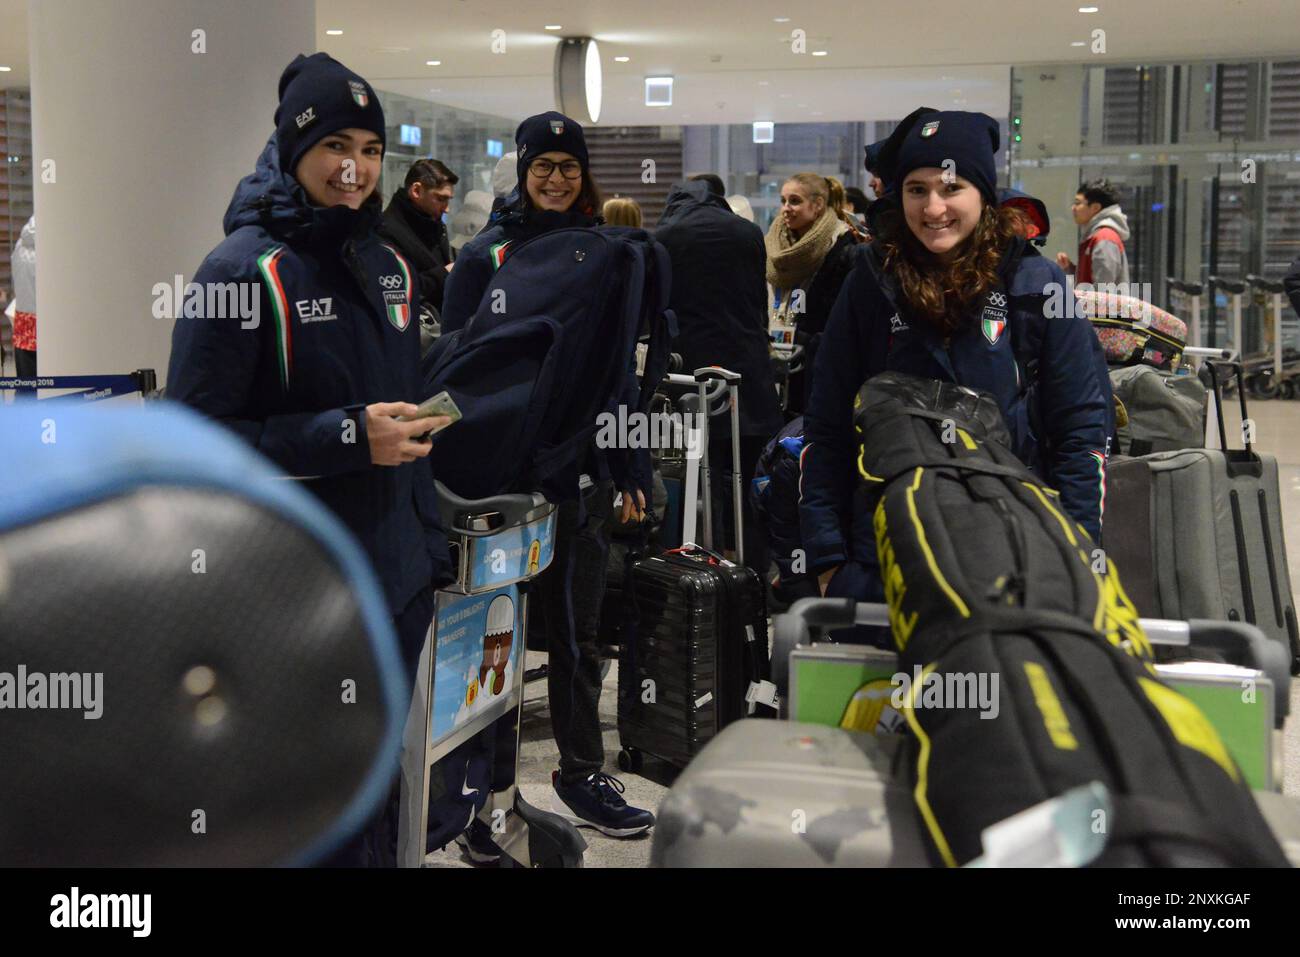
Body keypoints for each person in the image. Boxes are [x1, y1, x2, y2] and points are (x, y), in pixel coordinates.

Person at [165, 53, 454, 864]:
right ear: (294, 150)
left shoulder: (391, 265)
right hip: (296, 592)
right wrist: (343, 435)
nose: (355, 168)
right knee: (315, 794)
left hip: (395, 581)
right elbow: (195, 439)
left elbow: (407, 427)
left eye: (370, 147)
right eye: (335, 145)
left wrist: (429, 554)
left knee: (377, 782)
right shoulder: (239, 271)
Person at [800, 110, 1110, 641]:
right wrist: (830, 563)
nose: (934, 207)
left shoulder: (1036, 286)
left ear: (983, 195)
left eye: (952, 187)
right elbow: (827, 424)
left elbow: (1081, 431)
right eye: (916, 190)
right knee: (875, 716)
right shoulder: (871, 282)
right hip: (883, 563)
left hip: (1016, 561)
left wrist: (1077, 556)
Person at [440, 110, 657, 849]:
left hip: (581, 474)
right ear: (522, 173)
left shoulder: (602, 255)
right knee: (490, 639)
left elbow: (618, 375)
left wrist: (630, 464)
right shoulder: (485, 257)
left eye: (569, 167)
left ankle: (580, 770)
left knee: (577, 631)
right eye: (544, 167)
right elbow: (458, 370)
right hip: (501, 484)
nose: (557, 179)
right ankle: (482, 792)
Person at [654, 177, 784, 572]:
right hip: (746, 372)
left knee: (698, 474)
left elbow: (661, 311)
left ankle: (698, 569)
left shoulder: (665, 237)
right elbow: (759, 307)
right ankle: (754, 571)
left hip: (690, 378)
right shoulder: (747, 233)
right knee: (747, 476)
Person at [765, 172, 864, 414]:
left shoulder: (843, 248)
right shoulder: (776, 247)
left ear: (818, 205)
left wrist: (810, 342)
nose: (786, 209)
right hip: (781, 354)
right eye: (783, 201)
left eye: (795, 201)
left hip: (821, 363)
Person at [377, 159, 457, 315]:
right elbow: (396, 291)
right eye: (441, 198)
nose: (447, 209)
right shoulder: (386, 231)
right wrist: (444, 274)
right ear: (416, 191)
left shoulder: (434, 224)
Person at [1057, 178, 1131, 287]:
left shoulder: (1104, 238)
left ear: (1095, 207)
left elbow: (1102, 293)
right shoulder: (1098, 236)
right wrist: (1070, 269)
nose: (1073, 208)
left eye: (1078, 203)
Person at [10, 215, 36, 379]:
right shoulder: (52, 248)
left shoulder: (20, 244)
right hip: (45, 325)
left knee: (25, 385)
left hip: (23, 324)